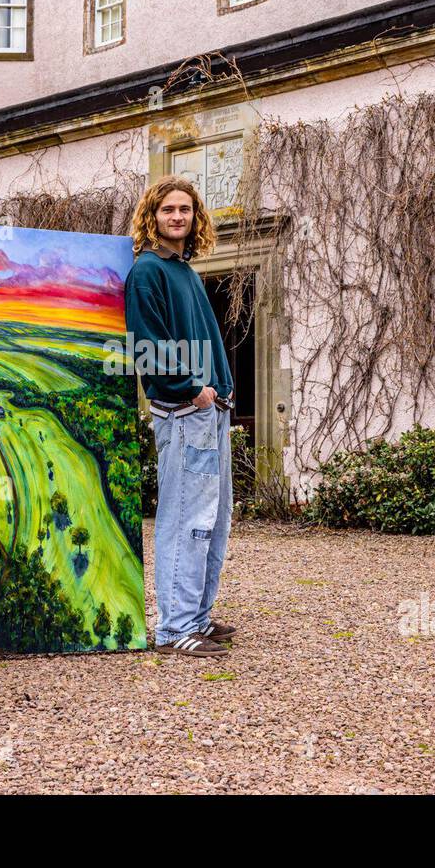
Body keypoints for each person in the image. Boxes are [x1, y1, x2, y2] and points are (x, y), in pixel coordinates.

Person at [123, 175, 237, 658]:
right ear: (153, 215)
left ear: (196, 217)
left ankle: (197, 617)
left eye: (185, 210)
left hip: (211, 413)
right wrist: (195, 389)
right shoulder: (147, 271)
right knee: (184, 519)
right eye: (168, 209)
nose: (178, 217)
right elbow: (147, 347)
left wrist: (220, 392)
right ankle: (173, 628)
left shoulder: (185, 272)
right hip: (184, 411)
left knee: (213, 521)